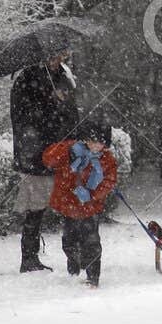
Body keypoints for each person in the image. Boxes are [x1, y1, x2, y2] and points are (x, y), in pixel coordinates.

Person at [10, 49, 80, 273]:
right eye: (53, 56)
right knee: (36, 207)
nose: (57, 60)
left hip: (62, 150)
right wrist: (51, 101)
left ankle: (74, 256)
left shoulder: (64, 77)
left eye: (61, 56)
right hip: (35, 153)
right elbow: (22, 116)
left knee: (72, 205)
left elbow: (71, 113)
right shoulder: (25, 79)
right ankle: (29, 258)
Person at [41, 120, 118, 287]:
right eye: (92, 141)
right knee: (69, 241)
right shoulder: (70, 151)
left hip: (90, 207)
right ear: (84, 140)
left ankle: (92, 276)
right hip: (69, 205)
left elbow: (109, 181)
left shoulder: (106, 159)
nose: (96, 146)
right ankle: (74, 269)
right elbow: (48, 159)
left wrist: (92, 194)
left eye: (101, 142)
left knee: (91, 242)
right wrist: (66, 149)